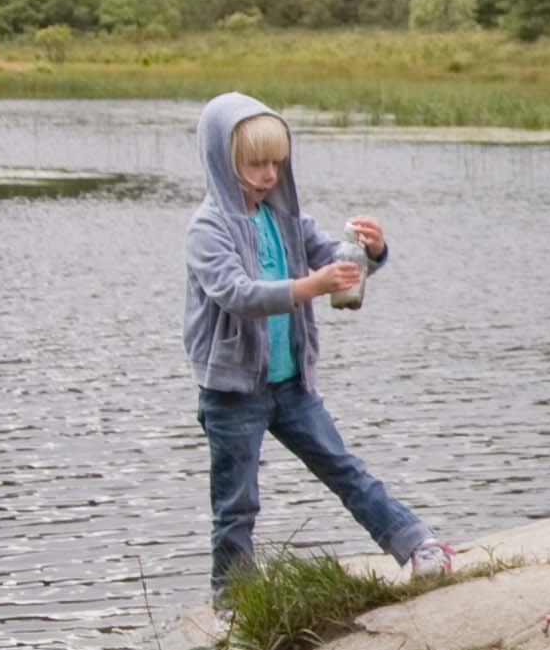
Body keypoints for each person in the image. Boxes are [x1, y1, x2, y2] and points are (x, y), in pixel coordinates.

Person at [183, 92, 446, 587]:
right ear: (224, 160)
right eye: (255, 163)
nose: (268, 175)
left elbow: (337, 261)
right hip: (233, 392)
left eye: (276, 164)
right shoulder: (207, 228)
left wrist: (370, 249)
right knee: (236, 504)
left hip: (291, 385)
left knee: (343, 467)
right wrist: (311, 287)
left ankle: (417, 545)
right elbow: (237, 295)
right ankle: (231, 599)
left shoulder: (283, 218)